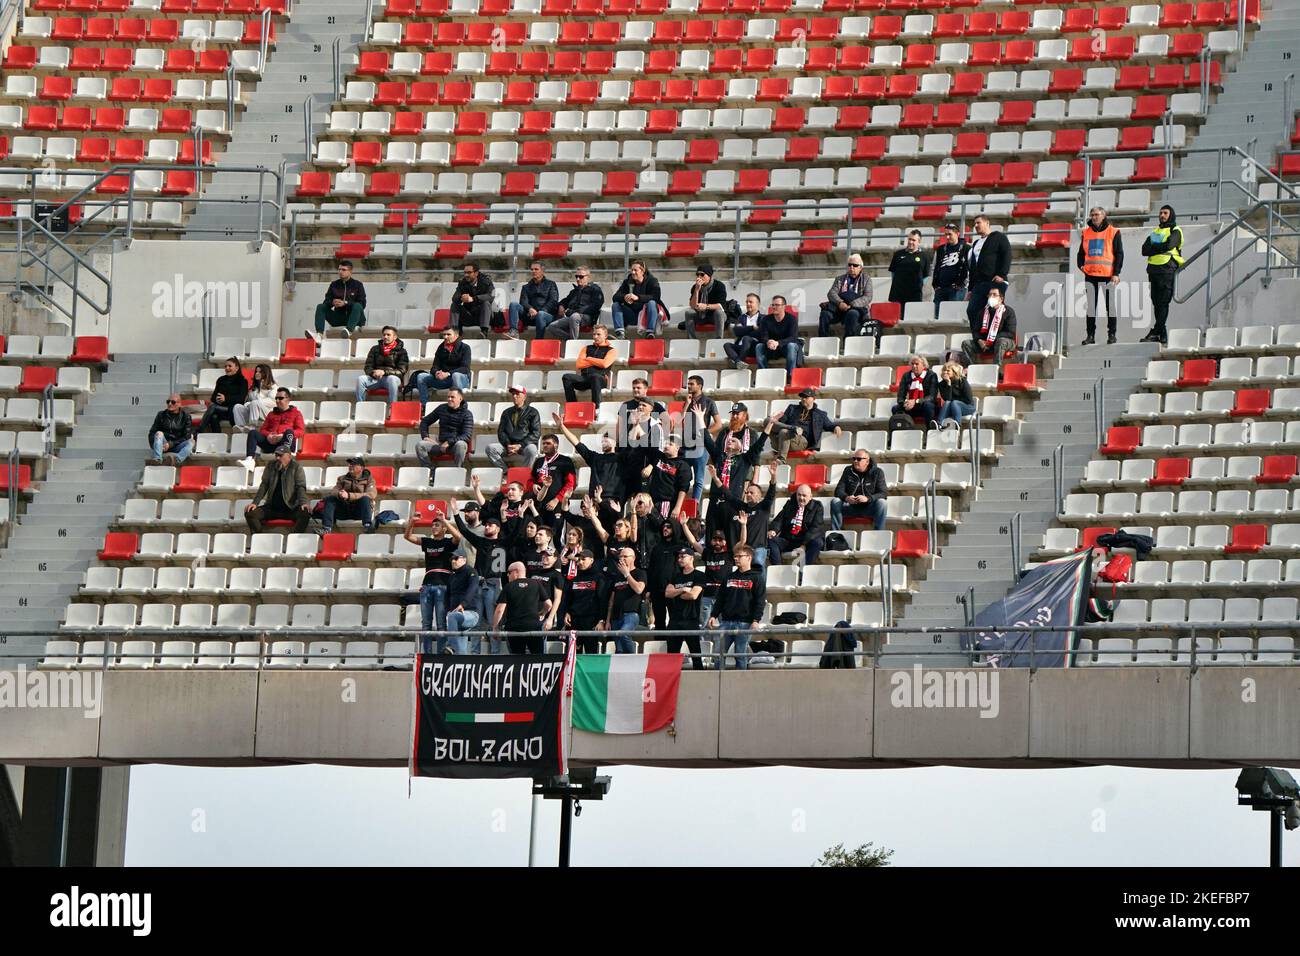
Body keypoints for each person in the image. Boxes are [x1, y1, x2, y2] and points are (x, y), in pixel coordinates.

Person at [449, 508, 510, 654]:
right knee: (475, 621)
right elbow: (464, 531)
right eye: (486, 525)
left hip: (494, 584)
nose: (486, 527)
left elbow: (515, 532)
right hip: (478, 584)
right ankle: (475, 654)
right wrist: (456, 513)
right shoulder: (480, 541)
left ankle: (494, 654)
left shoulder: (504, 542)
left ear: (498, 528)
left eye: (490, 525)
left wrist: (511, 515)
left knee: (492, 621)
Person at [708, 544, 766, 670]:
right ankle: (719, 681)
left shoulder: (757, 578)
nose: (736, 559)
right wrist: (713, 615)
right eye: (735, 556)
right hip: (726, 621)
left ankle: (741, 682)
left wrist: (756, 620)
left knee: (740, 655)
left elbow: (760, 601)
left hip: (745, 622)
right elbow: (720, 599)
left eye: (740, 556)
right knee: (718, 655)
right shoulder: (729, 577)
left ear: (749, 558)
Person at [406, 513, 457, 653]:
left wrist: (445, 521)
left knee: (441, 623)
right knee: (426, 623)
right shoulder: (427, 542)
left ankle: (440, 654)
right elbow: (408, 537)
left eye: (437, 525)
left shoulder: (447, 542)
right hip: (427, 586)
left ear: (444, 528)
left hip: (443, 586)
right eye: (432, 525)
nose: (434, 527)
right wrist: (412, 522)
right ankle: (427, 654)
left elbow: (458, 537)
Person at [1078, 205, 1125, 346]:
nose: (1094, 217)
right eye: (1092, 215)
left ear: (1103, 216)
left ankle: (1112, 334)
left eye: (1097, 214)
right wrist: (1081, 266)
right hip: (1090, 275)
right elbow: (1080, 254)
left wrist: (1116, 273)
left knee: (1110, 306)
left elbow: (1119, 254)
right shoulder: (1086, 233)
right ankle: (1090, 335)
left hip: (1107, 275)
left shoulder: (1113, 232)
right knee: (1091, 307)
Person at [244, 443, 311, 533]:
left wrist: (303, 503)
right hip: (272, 507)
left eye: (280, 455)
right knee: (250, 513)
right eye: (276, 455)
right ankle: (260, 539)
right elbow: (264, 485)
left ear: (289, 456)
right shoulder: (270, 465)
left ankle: (294, 540)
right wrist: (255, 503)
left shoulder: (296, 467)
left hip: (290, 508)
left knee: (305, 513)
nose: (277, 458)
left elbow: (300, 487)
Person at [1141, 203, 1183, 346]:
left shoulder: (1175, 230)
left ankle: (1156, 331)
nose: (1162, 215)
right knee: (1156, 302)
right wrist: (1157, 248)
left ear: (1171, 215)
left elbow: (1169, 245)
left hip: (1167, 268)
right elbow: (1144, 250)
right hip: (1153, 269)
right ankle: (1161, 333)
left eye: (1165, 213)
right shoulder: (1156, 231)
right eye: (1160, 213)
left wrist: (1154, 247)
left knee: (1163, 302)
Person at [966, 214, 1011, 339]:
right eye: (974, 224)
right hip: (979, 284)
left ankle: (995, 339)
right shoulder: (975, 243)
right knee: (972, 310)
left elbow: (1007, 254)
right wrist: (970, 289)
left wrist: (1002, 274)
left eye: (978, 223)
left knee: (994, 310)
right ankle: (978, 339)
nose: (976, 226)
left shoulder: (999, 237)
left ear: (987, 223)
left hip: (994, 282)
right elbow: (973, 268)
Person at [493, 562, 553, 654]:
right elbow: (548, 604)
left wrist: (495, 628)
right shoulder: (536, 583)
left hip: (514, 629)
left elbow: (500, 610)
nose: (508, 575)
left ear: (516, 572)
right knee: (538, 658)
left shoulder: (508, 587)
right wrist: (543, 612)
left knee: (517, 659)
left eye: (509, 572)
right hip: (533, 627)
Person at [678, 374, 720, 503]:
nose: (688, 386)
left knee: (699, 479)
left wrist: (705, 433)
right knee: (681, 477)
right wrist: (687, 405)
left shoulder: (709, 402)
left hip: (701, 446)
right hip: (686, 445)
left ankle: (694, 505)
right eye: (688, 384)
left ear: (699, 386)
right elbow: (679, 421)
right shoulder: (688, 401)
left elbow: (718, 424)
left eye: (691, 384)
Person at [770, 388, 840, 460]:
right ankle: (792, 428)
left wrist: (836, 427)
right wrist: (776, 419)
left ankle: (781, 459)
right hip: (780, 441)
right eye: (802, 397)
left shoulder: (820, 414)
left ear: (813, 398)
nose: (803, 399)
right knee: (768, 422)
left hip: (801, 442)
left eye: (806, 397)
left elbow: (828, 425)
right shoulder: (792, 408)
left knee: (784, 432)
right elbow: (781, 422)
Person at [557, 549, 606, 653]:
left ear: (591, 560)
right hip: (574, 621)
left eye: (584, 559)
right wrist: (567, 612)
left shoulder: (599, 577)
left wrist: (601, 620)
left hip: (591, 621)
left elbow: (602, 600)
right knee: (573, 653)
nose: (580, 562)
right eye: (579, 560)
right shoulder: (574, 579)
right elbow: (567, 599)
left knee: (591, 653)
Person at [665, 546, 706, 669]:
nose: (680, 559)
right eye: (679, 557)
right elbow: (667, 593)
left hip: (691, 619)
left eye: (683, 556)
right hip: (675, 619)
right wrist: (682, 589)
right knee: (671, 656)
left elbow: (693, 595)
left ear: (692, 558)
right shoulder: (676, 576)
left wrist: (676, 592)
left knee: (696, 655)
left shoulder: (699, 575)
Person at [409, 326, 470, 408]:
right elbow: (434, 367)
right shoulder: (441, 348)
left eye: (448, 334)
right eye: (444, 334)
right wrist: (436, 373)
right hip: (444, 379)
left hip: (460, 379)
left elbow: (465, 368)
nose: (445, 337)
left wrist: (448, 373)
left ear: (456, 335)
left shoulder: (465, 348)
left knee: (456, 375)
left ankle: (459, 406)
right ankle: (424, 406)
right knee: (421, 376)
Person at [416, 387, 472, 474]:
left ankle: (458, 472)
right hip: (439, 444)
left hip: (454, 445)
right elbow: (425, 421)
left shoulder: (467, 414)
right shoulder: (442, 408)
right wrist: (425, 436)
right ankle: (430, 472)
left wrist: (449, 442)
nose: (449, 399)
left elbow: (466, 435)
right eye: (448, 397)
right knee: (420, 445)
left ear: (460, 398)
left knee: (461, 445)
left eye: (452, 397)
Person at [768, 483, 825, 566]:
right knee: (771, 539)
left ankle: (804, 570)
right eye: (799, 495)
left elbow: (816, 528)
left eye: (804, 496)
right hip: (790, 539)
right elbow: (779, 519)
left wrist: (804, 544)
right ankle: (778, 568)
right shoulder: (790, 504)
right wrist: (773, 530)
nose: (801, 498)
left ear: (810, 497)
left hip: (806, 540)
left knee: (818, 542)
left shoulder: (817, 507)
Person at [486, 385, 540, 473]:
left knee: (532, 450)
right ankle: (506, 473)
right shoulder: (506, 412)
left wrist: (520, 445)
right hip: (509, 446)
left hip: (525, 446)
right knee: (490, 448)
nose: (515, 396)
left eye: (517, 394)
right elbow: (501, 432)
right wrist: (508, 445)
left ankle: (524, 474)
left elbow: (536, 433)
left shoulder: (533, 412)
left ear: (524, 397)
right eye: (513, 394)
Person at [961, 287, 1017, 370]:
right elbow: (976, 331)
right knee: (966, 343)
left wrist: (992, 340)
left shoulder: (1008, 311)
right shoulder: (982, 312)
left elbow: (1010, 332)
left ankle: (996, 370)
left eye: (994, 295)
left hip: (1005, 342)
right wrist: (979, 340)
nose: (991, 297)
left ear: (1001, 299)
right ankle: (974, 369)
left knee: (1001, 341)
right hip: (985, 344)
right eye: (990, 295)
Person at [830, 450, 887, 531]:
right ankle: (835, 533)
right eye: (854, 459)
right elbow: (838, 491)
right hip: (851, 507)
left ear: (867, 461)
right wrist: (847, 498)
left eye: (859, 459)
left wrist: (867, 498)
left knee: (882, 503)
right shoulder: (848, 470)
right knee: (835, 501)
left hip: (869, 508)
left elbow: (883, 493)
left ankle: (879, 533)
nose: (855, 461)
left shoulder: (877, 472)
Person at [817, 253, 872, 337]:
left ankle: (848, 341)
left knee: (852, 314)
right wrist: (840, 303)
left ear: (860, 267)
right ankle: (822, 340)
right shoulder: (840, 279)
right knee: (825, 314)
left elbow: (867, 297)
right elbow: (831, 293)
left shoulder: (866, 279)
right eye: (849, 265)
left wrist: (851, 305)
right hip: (839, 309)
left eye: (855, 265)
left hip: (855, 309)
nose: (851, 267)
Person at [242, 387, 305, 461]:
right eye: (276, 398)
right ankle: (249, 460)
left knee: (289, 432)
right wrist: (269, 435)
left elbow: (300, 431)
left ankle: (284, 457)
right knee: (253, 433)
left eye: (280, 398)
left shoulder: (296, 413)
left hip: (285, 442)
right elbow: (263, 430)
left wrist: (282, 435)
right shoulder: (271, 414)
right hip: (270, 444)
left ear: (288, 399)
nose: (277, 400)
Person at [561, 324, 617, 407]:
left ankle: (596, 408)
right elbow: (579, 364)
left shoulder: (611, 350)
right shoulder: (586, 348)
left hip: (600, 379)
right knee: (567, 377)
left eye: (598, 334)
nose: (595, 337)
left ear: (605, 336)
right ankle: (572, 406)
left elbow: (604, 364)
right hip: (585, 378)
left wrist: (589, 358)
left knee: (595, 376)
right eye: (594, 334)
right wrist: (597, 361)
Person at [640, 434, 692, 520]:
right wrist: (651, 466)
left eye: (670, 444)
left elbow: (683, 488)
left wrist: (677, 507)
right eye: (665, 444)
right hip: (651, 501)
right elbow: (647, 447)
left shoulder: (683, 465)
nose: (666, 446)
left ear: (677, 448)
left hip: (667, 503)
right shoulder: (658, 457)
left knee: (661, 526)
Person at [603, 546, 646, 653]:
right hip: (616, 615)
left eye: (625, 556)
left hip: (631, 614)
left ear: (633, 558)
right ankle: (621, 668)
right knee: (619, 648)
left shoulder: (640, 573)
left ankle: (633, 659)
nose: (622, 559)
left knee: (624, 634)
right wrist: (608, 620)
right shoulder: (617, 576)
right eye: (620, 556)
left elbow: (639, 589)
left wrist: (627, 574)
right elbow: (611, 601)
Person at [310, 260, 365, 340]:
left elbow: (362, 304)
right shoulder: (334, 285)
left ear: (350, 271)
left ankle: (348, 331)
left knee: (357, 305)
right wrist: (332, 302)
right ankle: (319, 335)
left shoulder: (358, 285)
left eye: (343, 270)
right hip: (339, 318)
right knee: (321, 307)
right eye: (339, 269)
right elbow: (326, 302)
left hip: (354, 320)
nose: (340, 272)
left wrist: (346, 303)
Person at [355, 326, 409, 405]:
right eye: (384, 335)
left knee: (392, 379)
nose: (385, 337)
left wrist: (384, 372)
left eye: (388, 335)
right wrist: (373, 372)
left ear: (395, 337)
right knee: (361, 379)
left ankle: (392, 409)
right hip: (376, 378)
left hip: (391, 379)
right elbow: (368, 366)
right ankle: (361, 406)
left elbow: (402, 370)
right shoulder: (375, 349)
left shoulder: (401, 351)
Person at [321, 455, 376, 532]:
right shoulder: (342, 478)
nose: (350, 466)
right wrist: (340, 494)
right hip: (345, 510)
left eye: (354, 464)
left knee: (365, 499)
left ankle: (367, 526)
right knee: (331, 499)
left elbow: (371, 494)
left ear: (362, 468)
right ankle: (326, 529)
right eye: (350, 464)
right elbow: (334, 491)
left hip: (359, 511)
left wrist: (349, 495)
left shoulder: (369, 479)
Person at [546, 267, 604, 340]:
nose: (578, 279)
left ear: (588, 277)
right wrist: (561, 305)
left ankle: (574, 341)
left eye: (581, 277)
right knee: (552, 326)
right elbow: (566, 300)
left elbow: (596, 305)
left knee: (574, 316)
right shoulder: (574, 291)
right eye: (576, 276)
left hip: (587, 317)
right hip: (573, 316)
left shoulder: (595, 289)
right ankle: (570, 340)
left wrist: (576, 311)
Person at [755, 295, 803, 384]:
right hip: (771, 348)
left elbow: (793, 337)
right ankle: (764, 374)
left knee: (792, 346)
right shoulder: (766, 319)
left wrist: (778, 343)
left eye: (777, 305)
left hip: (785, 347)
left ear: (784, 306)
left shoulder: (792, 319)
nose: (774, 307)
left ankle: (790, 376)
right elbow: (763, 336)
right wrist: (768, 341)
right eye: (772, 305)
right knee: (759, 346)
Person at [611, 259, 662, 339]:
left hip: (645, 315)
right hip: (632, 315)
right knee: (615, 305)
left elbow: (655, 297)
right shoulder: (627, 282)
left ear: (643, 271)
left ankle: (650, 332)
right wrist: (625, 297)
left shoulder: (652, 281)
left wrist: (638, 297)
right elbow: (615, 297)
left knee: (652, 303)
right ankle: (620, 334)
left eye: (635, 270)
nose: (633, 272)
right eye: (632, 270)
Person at [507, 261, 559, 339]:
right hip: (530, 316)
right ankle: (513, 332)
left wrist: (540, 312)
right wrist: (530, 309)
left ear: (542, 270)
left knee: (541, 314)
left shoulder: (551, 284)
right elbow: (523, 301)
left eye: (536, 269)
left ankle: (538, 340)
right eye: (532, 269)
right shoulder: (526, 287)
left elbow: (553, 301)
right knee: (513, 304)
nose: (533, 271)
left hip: (546, 316)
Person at [443, 550, 482, 653]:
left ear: (464, 559)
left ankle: (451, 646)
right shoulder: (452, 576)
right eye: (452, 559)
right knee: (461, 654)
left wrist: (462, 604)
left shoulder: (471, 571)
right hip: (457, 617)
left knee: (452, 616)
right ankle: (459, 660)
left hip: (471, 613)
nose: (453, 561)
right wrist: (447, 609)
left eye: (456, 558)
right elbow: (447, 595)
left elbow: (472, 589)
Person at [196, 357, 249, 433]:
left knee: (212, 407)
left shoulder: (242, 381)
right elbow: (213, 397)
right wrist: (217, 399)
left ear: (237, 368)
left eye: (230, 366)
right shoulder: (221, 380)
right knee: (214, 417)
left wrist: (226, 398)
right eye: (225, 366)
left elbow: (241, 399)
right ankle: (217, 437)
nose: (227, 368)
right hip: (220, 408)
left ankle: (199, 431)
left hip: (233, 410)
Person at [932, 223, 970, 318]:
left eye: (950, 234)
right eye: (946, 235)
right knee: (938, 317)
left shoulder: (967, 248)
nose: (947, 237)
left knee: (953, 317)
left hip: (957, 289)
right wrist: (935, 284)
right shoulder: (940, 249)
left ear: (957, 234)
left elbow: (971, 268)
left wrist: (963, 284)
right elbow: (935, 267)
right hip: (941, 289)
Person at [892, 355, 939, 428]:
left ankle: (930, 430)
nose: (914, 366)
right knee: (896, 408)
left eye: (917, 364)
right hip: (912, 406)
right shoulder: (906, 376)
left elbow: (932, 397)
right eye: (912, 364)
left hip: (925, 405)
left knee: (928, 405)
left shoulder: (931, 375)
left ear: (924, 365)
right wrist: (905, 403)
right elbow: (900, 396)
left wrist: (915, 401)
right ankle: (903, 431)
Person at [449, 261, 495, 335]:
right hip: (469, 316)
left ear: (476, 273)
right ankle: (455, 331)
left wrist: (473, 298)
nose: (466, 275)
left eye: (469, 272)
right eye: (465, 272)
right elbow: (454, 298)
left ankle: (484, 332)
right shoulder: (462, 283)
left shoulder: (486, 282)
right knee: (454, 305)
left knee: (486, 303)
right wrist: (461, 298)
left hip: (484, 316)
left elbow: (491, 296)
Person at [683, 263, 727, 339]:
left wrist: (706, 306)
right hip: (701, 316)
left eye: (702, 275)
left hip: (714, 316)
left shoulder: (719, 286)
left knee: (719, 312)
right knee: (689, 312)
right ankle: (691, 339)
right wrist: (697, 290)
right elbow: (692, 305)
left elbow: (721, 305)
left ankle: (718, 339)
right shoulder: (695, 287)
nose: (699, 277)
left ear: (709, 276)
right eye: (697, 275)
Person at [888, 229, 932, 306]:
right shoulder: (898, 254)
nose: (910, 242)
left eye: (913, 240)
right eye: (909, 239)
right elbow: (893, 273)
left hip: (915, 296)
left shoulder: (925, 256)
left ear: (919, 241)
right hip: (897, 295)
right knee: (897, 317)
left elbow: (926, 277)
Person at [147, 394, 194, 464]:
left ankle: (177, 460)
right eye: (168, 401)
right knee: (159, 433)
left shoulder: (186, 417)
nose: (169, 404)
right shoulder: (161, 415)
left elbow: (186, 436)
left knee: (191, 442)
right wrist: (155, 446)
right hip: (163, 445)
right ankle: (157, 459)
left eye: (173, 402)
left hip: (177, 445)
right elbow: (152, 432)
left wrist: (171, 444)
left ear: (179, 404)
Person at [723, 292, 764, 367]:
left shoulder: (763, 318)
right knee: (727, 345)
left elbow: (760, 333)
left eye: (750, 302)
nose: (748, 304)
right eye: (747, 302)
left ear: (757, 304)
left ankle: (739, 361)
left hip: (754, 348)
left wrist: (744, 330)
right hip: (741, 347)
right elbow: (737, 331)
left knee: (746, 338)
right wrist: (752, 328)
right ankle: (738, 362)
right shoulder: (741, 317)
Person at [232, 364, 276, 430]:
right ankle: (241, 427)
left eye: (260, 372)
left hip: (268, 413)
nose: (257, 374)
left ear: (266, 373)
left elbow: (272, 402)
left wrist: (255, 402)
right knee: (237, 407)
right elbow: (248, 401)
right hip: (254, 411)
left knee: (255, 403)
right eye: (256, 372)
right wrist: (248, 404)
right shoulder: (253, 388)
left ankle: (252, 427)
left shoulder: (273, 386)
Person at [936, 361, 975, 430]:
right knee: (948, 402)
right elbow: (947, 399)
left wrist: (954, 401)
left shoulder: (962, 381)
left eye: (948, 371)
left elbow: (968, 399)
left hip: (968, 407)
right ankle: (939, 424)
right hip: (952, 406)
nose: (945, 372)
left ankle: (957, 425)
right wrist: (949, 384)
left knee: (954, 402)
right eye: (944, 370)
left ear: (954, 372)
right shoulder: (941, 384)